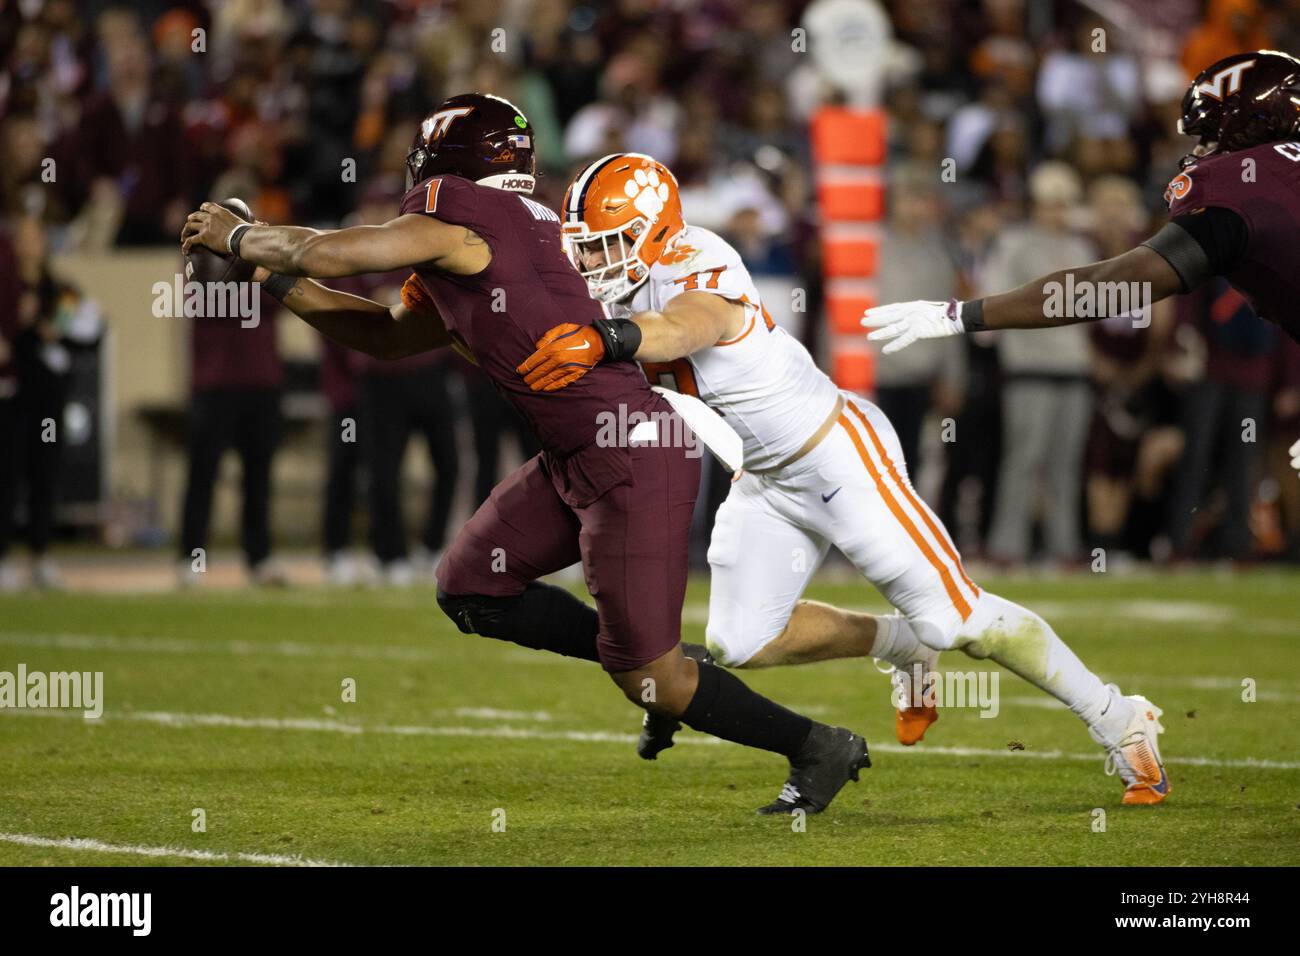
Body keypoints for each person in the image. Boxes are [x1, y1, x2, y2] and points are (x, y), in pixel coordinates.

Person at [182, 93, 869, 815]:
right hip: (578, 455)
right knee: (471, 586)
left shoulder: (467, 215)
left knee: (652, 682)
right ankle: (647, 653)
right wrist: (279, 280)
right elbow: (386, 333)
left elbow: (331, 250)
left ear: (447, 160)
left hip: (631, 457)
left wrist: (240, 237)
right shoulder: (504, 229)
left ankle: (817, 745)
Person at [520, 151, 1169, 806]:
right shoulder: (614, 288)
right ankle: (899, 642)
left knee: (960, 619)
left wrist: (605, 338)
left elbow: (687, 326)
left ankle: (1119, 716)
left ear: (656, 233)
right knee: (740, 640)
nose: (592, 264)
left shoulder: (698, 260)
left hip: (837, 454)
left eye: (608, 246)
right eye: (584, 249)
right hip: (765, 479)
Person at [864, 51, 1300, 482]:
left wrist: (963, 315)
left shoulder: (1246, 184)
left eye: (1206, 138)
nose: (1198, 152)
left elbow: (1113, 287)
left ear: (1246, 130)